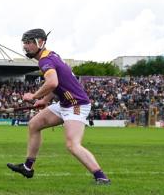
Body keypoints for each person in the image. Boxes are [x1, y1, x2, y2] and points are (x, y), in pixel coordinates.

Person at [7, 29, 110, 184]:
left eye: (28, 42)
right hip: (64, 103)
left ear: (40, 42)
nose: (25, 46)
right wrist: (45, 100)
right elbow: (59, 84)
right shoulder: (50, 55)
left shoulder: (45, 61)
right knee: (34, 124)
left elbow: (53, 82)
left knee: (72, 145)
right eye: (24, 43)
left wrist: (35, 96)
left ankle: (101, 177)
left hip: (76, 105)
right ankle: (27, 168)